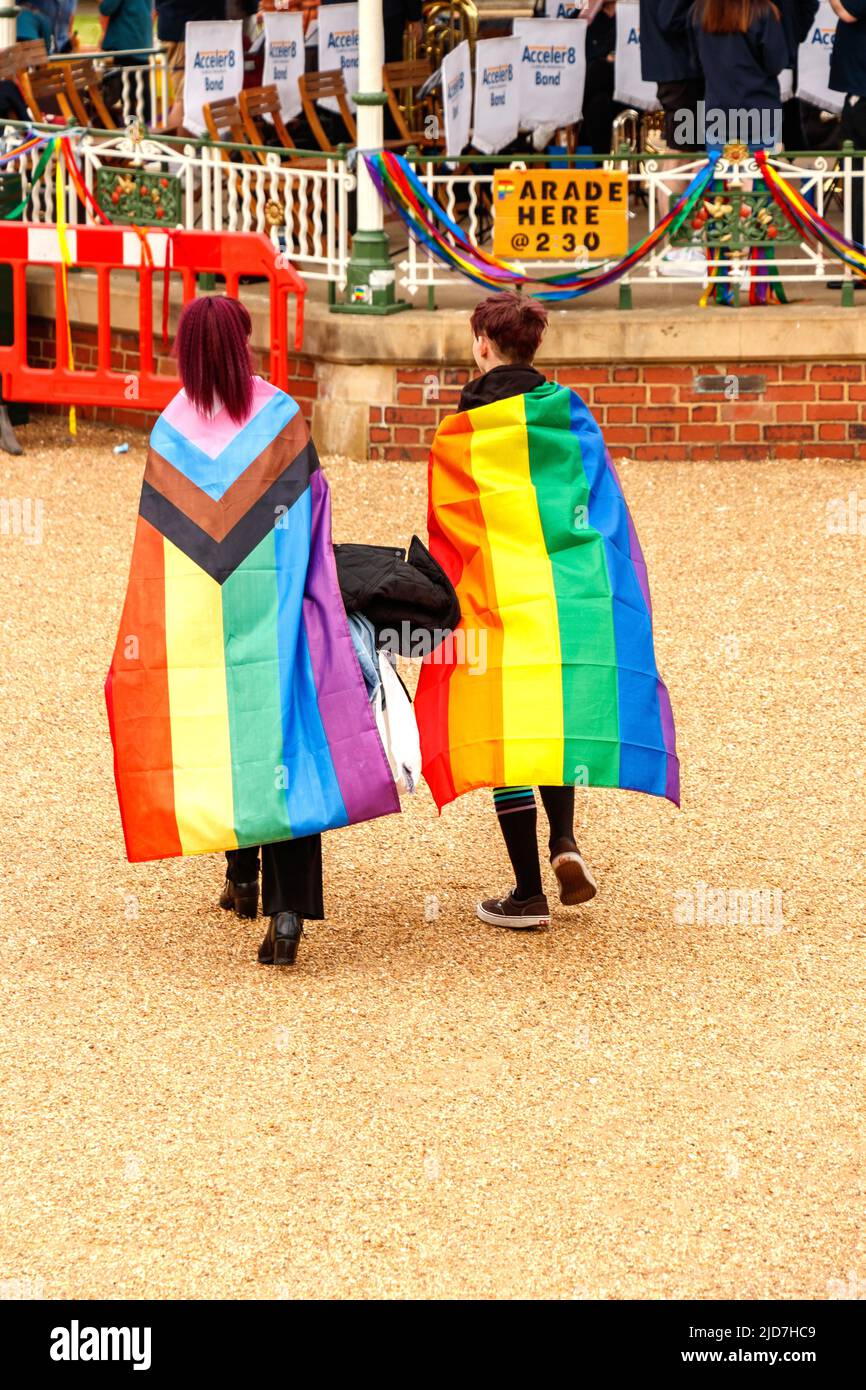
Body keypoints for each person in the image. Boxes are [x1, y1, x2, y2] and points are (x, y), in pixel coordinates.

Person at [105, 297, 400, 967]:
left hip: (206, 617)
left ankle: (239, 876)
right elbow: (317, 515)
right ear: (243, 346)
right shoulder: (281, 421)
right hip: (282, 609)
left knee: (222, 732)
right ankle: (287, 912)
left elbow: (157, 552)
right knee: (284, 742)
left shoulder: (169, 433)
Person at [414, 295, 679, 931]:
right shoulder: (568, 413)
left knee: (506, 728)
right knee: (555, 715)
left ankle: (527, 894)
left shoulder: (464, 426)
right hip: (565, 591)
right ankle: (564, 841)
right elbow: (600, 503)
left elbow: (453, 519)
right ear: (533, 348)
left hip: (495, 592)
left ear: (483, 344)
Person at [688, 0, 789, 152]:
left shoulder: (699, 11)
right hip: (761, 116)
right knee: (761, 174)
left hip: (717, 116)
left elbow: (695, 64)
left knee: (722, 174)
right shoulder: (764, 11)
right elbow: (776, 63)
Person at [639, 0, 705, 152]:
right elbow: (670, 18)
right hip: (681, 70)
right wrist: (712, 18)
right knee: (683, 150)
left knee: (686, 148)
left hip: (676, 68)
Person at [828, 0, 866, 247]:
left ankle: (859, 257)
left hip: (862, 91)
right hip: (859, 88)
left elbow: (848, 12)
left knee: (856, 177)